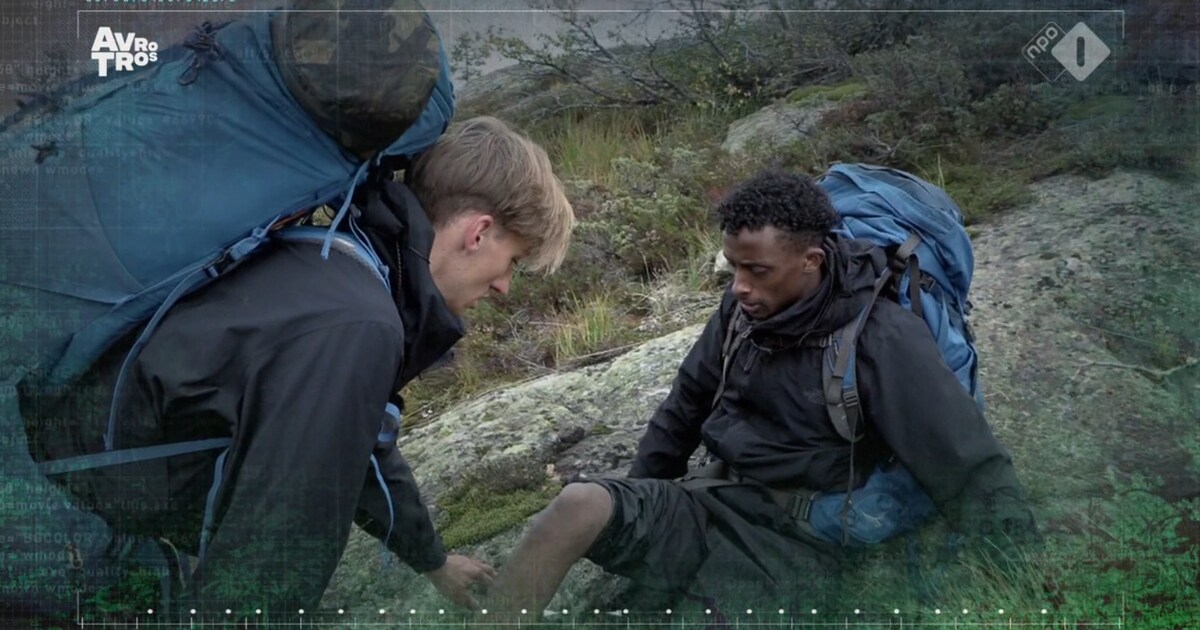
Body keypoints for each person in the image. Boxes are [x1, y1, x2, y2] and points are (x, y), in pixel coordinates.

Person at [14, 115, 575, 615]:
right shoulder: (357, 324)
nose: (504, 285)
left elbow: (363, 444)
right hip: (64, 528)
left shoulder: (335, 254)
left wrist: (429, 559)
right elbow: (273, 553)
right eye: (514, 260)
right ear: (478, 232)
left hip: (60, 473)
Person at [485, 169, 1038, 615]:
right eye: (733, 269)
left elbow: (969, 464)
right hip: (715, 502)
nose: (740, 287)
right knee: (580, 504)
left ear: (811, 261)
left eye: (757, 271)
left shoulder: (881, 337)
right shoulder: (743, 310)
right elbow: (685, 406)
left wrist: (1023, 575)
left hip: (800, 545)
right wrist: (639, 509)